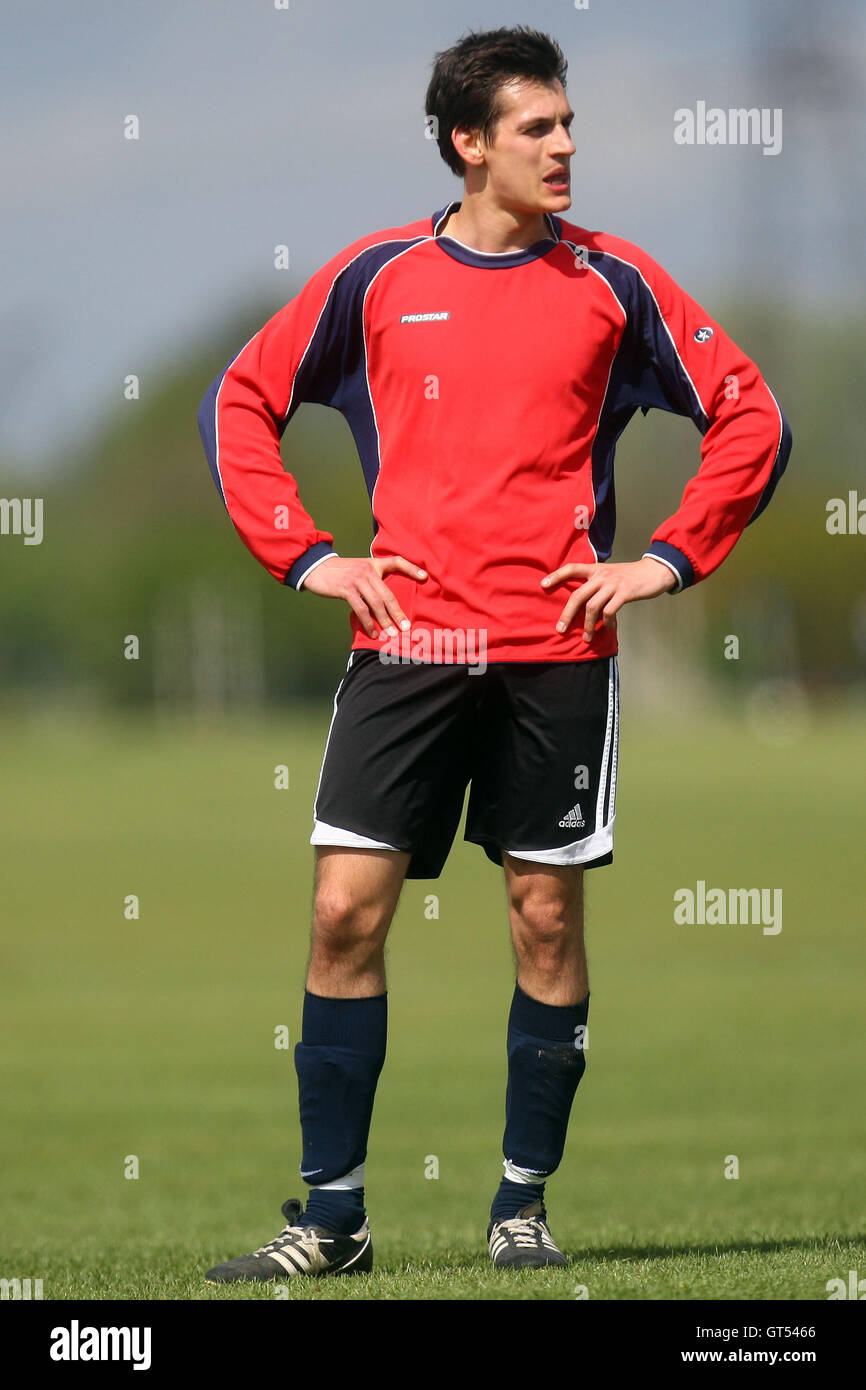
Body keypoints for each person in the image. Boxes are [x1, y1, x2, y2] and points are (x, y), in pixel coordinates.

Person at [197, 25, 791, 1280]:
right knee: (342, 912)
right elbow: (240, 402)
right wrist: (308, 556)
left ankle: (519, 1206)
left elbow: (748, 413)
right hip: (404, 650)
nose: (566, 146)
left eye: (568, 124)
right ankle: (332, 1222)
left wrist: (666, 561)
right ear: (468, 143)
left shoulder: (615, 283)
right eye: (538, 128)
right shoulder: (372, 277)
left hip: (555, 656)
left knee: (540, 919)